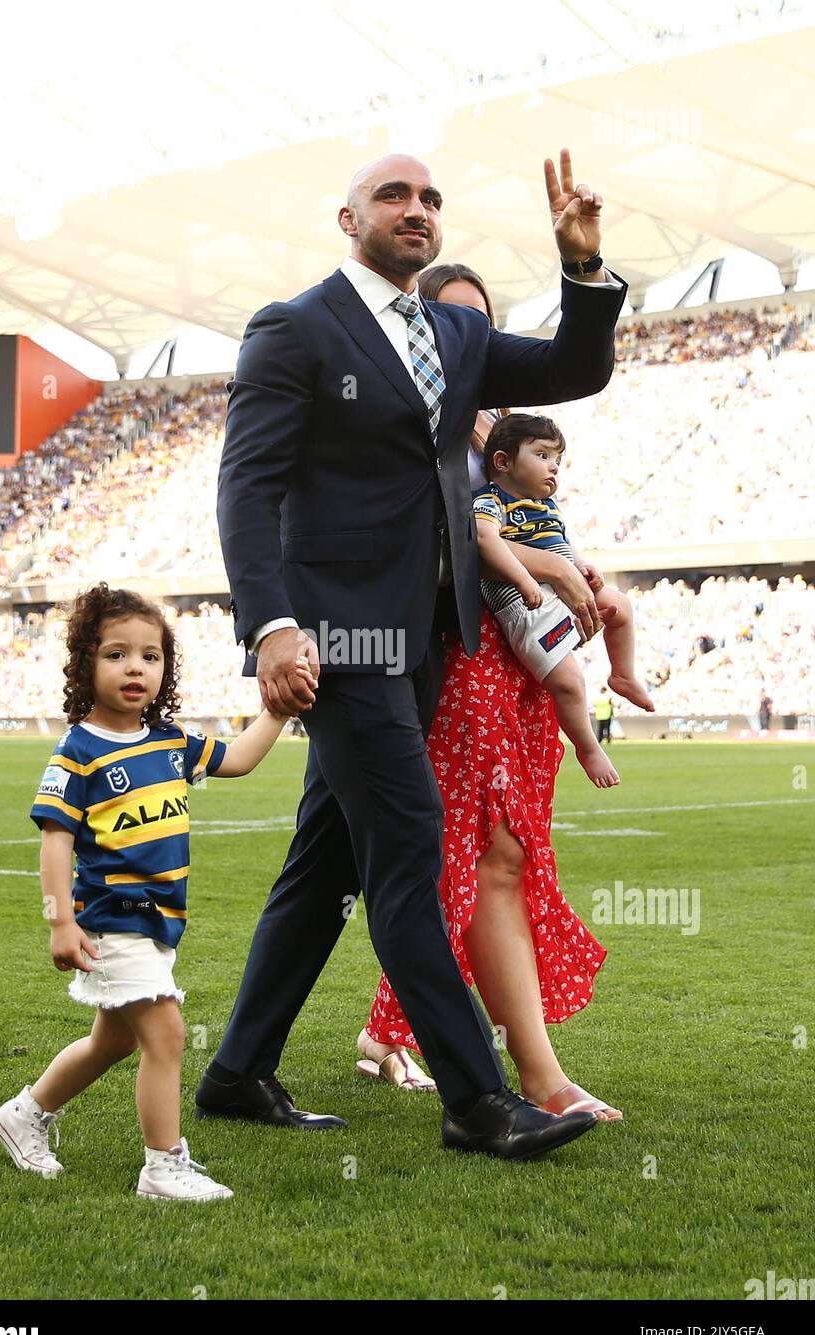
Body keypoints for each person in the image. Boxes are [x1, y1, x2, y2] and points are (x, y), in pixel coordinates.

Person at [200, 148, 627, 1163]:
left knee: (327, 862)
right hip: (335, 637)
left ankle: (234, 1072)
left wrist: (582, 273)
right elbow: (246, 487)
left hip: (427, 638)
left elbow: (576, 371)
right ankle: (478, 1103)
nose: (417, 209)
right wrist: (271, 626)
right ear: (348, 220)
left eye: (431, 197)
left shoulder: (457, 333)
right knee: (408, 847)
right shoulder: (293, 328)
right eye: (393, 195)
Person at [357, 266, 621, 1121]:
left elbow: (540, 526)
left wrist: (585, 575)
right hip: (453, 660)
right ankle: (533, 1073)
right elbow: (415, 540)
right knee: (487, 858)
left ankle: (396, 1033)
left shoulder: (498, 434)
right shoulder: (409, 422)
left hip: (516, 670)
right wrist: (541, 566)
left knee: (494, 857)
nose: (466, 336)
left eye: (482, 324)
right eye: (445, 319)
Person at [0, 582, 304, 1200]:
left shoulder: (171, 741)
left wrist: (278, 710)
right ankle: (163, 1167)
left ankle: (24, 1115)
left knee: (114, 1039)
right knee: (167, 1035)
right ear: (85, 664)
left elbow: (237, 759)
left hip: (160, 922)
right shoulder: (78, 753)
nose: (135, 667)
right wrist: (60, 922)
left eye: (150, 656)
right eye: (116, 654)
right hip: (114, 919)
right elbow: (55, 842)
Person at [475, 412, 654, 785]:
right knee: (569, 682)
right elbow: (484, 540)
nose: (553, 467)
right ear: (503, 462)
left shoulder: (547, 507)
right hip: (526, 601)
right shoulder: (491, 500)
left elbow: (563, 544)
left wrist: (584, 566)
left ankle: (623, 674)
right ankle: (588, 747)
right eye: (542, 456)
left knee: (620, 605)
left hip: (561, 589)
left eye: (558, 460)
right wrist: (524, 579)